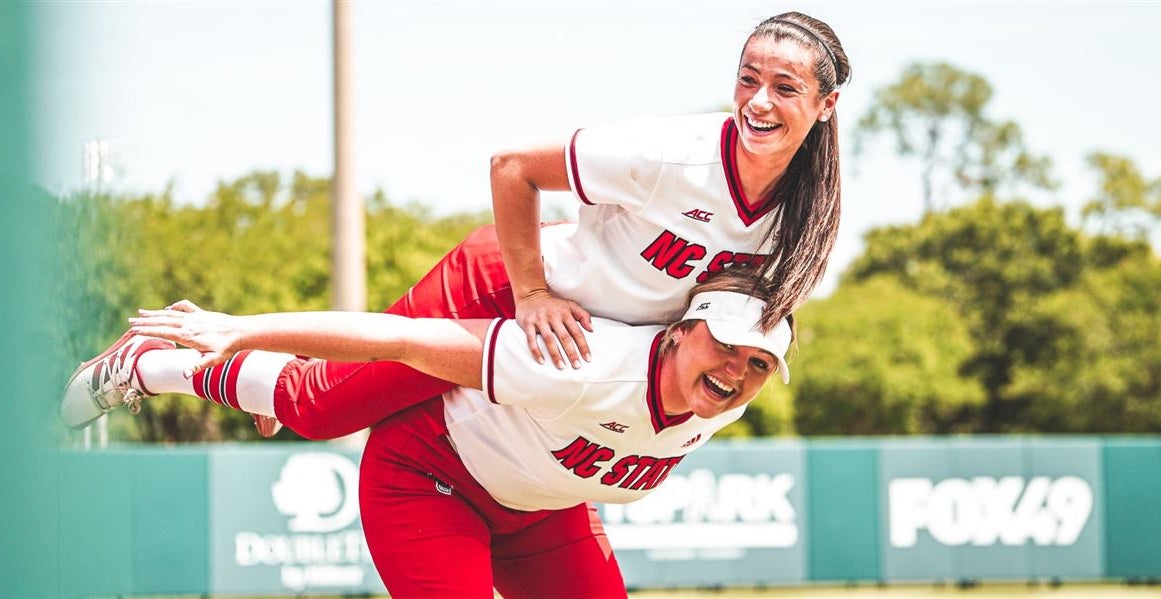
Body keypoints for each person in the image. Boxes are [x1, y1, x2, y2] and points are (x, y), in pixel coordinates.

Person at [60, 11, 848, 442]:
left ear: (824, 106)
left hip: (574, 342)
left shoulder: (806, 221)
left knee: (318, 399)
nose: (758, 101)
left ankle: (278, 370)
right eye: (748, 78)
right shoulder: (669, 152)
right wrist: (531, 290)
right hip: (505, 286)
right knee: (321, 408)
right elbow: (511, 166)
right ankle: (152, 363)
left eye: (785, 87)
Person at [80, 267, 793, 598]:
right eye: (725, 344)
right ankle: (154, 361)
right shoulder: (583, 363)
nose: (738, 369)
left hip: (542, 512)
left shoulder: (725, 399)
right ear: (678, 330)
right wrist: (244, 331)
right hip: (430, 480)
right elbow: (402, 341)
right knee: (312, 401)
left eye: (760, 362)